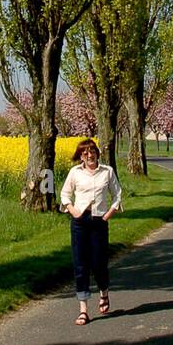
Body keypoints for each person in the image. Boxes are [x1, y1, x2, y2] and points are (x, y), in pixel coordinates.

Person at [59, 138, 122, 325]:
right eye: (85, 153)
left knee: (99, 263)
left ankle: (104, 293)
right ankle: (83, 310)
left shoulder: (107, 171)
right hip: (80, 221)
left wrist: (108, 214)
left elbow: (117, 194)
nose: (90, 155)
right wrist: (73, 211)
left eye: (92, 151)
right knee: (80, 264)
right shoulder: (75, 173)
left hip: (99, 221)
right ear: (80, 156)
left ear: (97, 153)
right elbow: (64, 194)